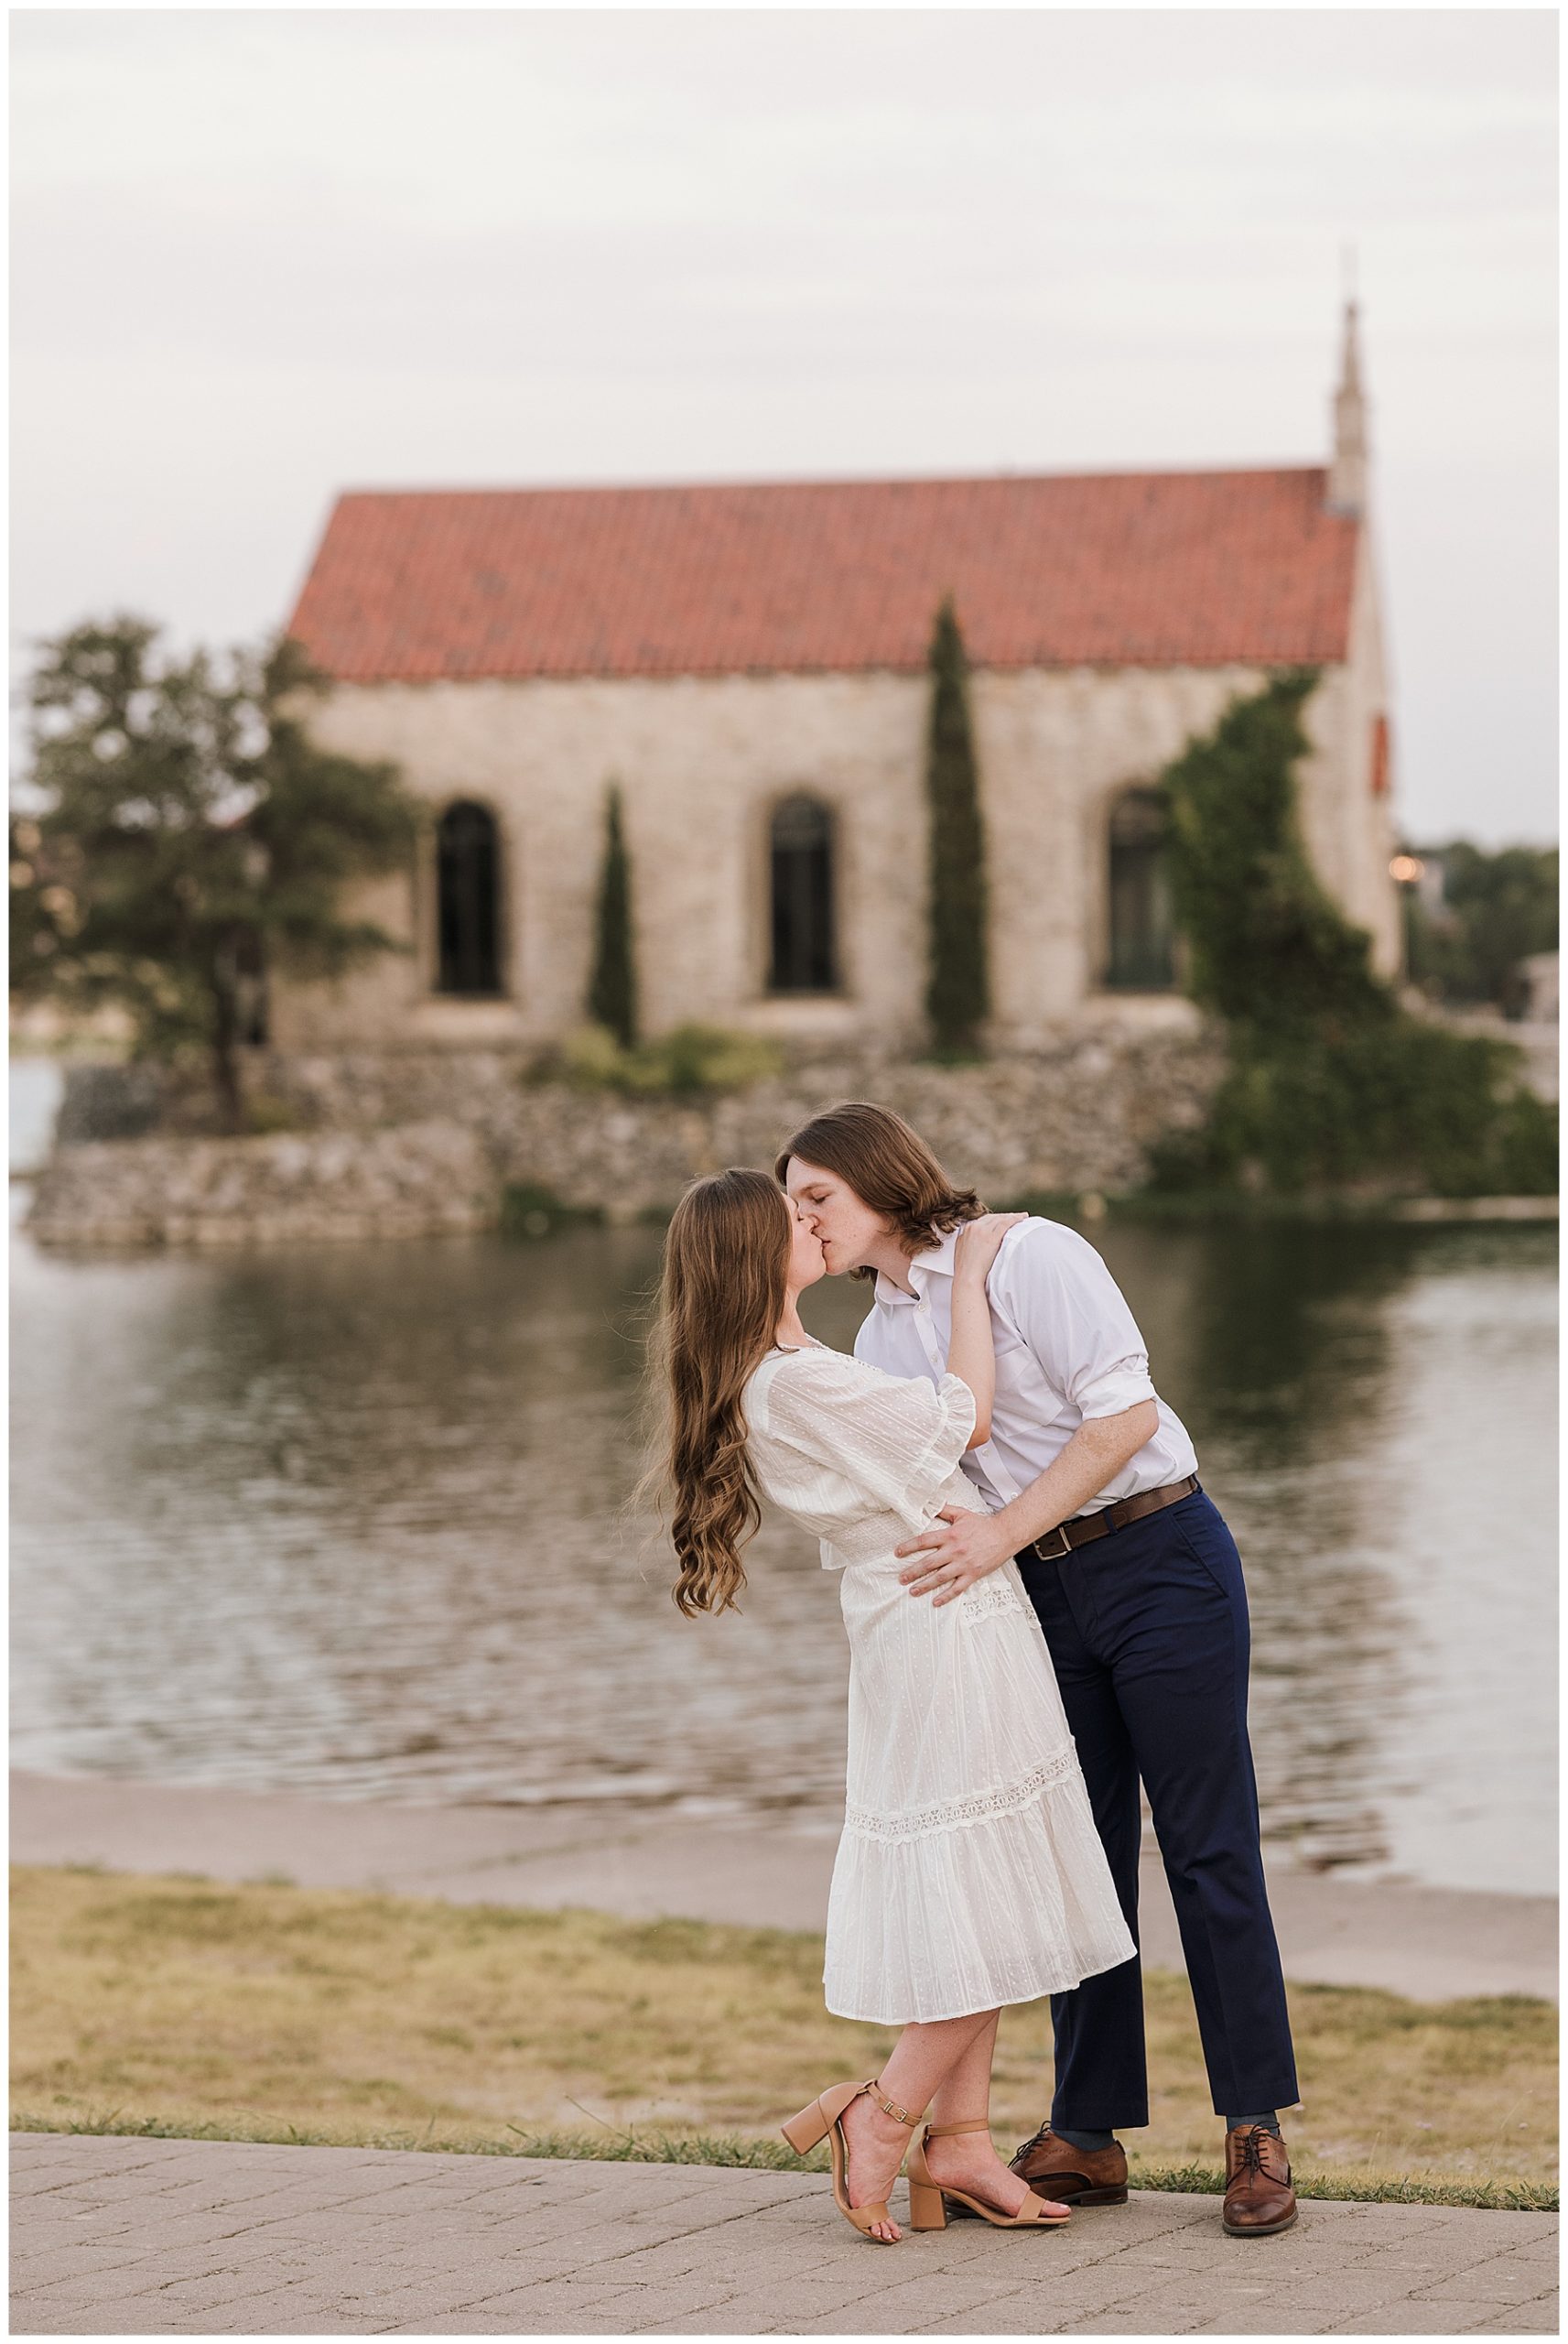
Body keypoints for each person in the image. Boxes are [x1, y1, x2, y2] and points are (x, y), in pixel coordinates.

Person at [778, 1103, 1301, 2241]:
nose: (802, 1218)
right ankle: (1089, 2128)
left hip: (1162, 1556)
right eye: (793, 1204)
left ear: (877, 1182)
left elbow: (1123, 1421)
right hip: (1033, 1594)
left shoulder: (1035, 1255)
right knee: (1076, 1849)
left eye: (815, 1194)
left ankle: (1254, 2125)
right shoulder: (875, 1341)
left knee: (1209, 1846)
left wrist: (998, 1535)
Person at [649, 1166, 1135, 2245]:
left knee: (980, 1876)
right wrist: (968, 1274)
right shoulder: (795, 1381)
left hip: (940, 1611)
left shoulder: (798, 1367)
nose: (814, 1220)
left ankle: (959, 2145)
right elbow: (963, 1422)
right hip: (940, 1626)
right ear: (752, 1256)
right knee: (993, 1898)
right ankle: (882, 2114)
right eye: (795, 1217)